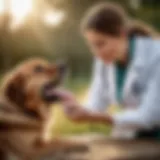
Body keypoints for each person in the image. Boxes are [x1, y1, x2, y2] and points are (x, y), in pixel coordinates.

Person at [58, 2, 160, 139]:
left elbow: (151, 116)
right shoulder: (104, 60)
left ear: (122, 34)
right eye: (91, 46)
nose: (96, 53)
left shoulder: (156, 55)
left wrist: (98, 117)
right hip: (135, 136)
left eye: (100, 44)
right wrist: (76, 107)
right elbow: (96, 104)